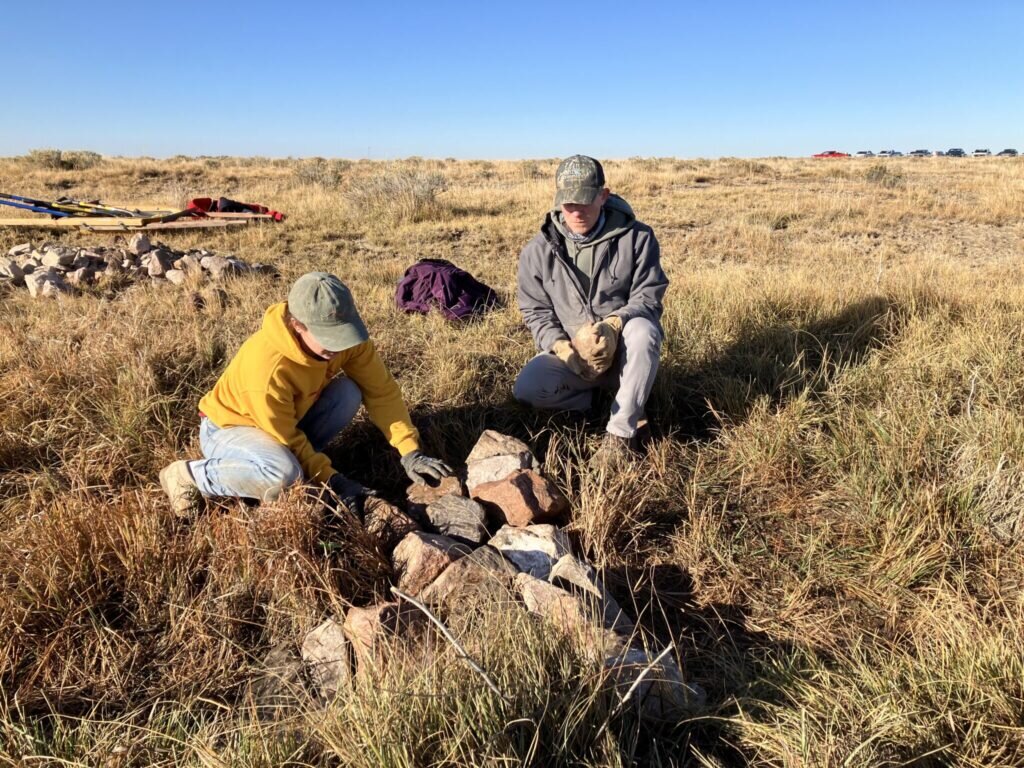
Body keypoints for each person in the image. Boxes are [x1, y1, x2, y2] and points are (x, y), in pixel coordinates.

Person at [160, 271, 451, 517]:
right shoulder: (267, 370)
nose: (338, 348)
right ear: (297, 326)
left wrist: (409, 450)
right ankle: (192, 476)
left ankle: (298, 464)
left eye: (341, 337)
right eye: (329, 341)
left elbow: (382, 391)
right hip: (231, 428)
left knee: (349, 392)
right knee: (284, 477)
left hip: (290, 419)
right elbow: (286, 437)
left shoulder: (347, 337)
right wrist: (334, 481)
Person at [514, 155, 669, 467]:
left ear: (604, 195)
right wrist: (562, 348)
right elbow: (536, 310)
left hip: (623, 352)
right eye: (568, 203)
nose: (576, 211)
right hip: (574, 358)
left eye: (585, 201)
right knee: (527, 388)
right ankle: (607, 399)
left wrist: (614, 324)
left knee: (644, 332)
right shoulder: (537, 250)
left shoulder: (638, 238)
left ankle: (620, 434)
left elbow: (648, 295)